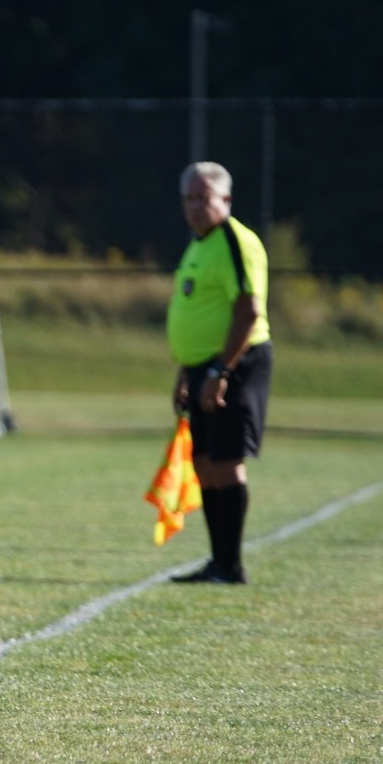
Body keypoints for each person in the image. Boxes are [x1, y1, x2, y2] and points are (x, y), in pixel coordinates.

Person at [167, 162, 272, 585]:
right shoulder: (199, 244)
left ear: (225, 200)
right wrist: (186, 370)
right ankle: (218, 562)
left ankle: (231, 566)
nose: (196, 206)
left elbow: (248, 311)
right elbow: (199, 313)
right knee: (205, 462)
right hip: (202, 368)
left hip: (234, 364)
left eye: (205, 198)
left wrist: (219, 370)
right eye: (190, 198)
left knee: (226, 462)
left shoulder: (234, 240)